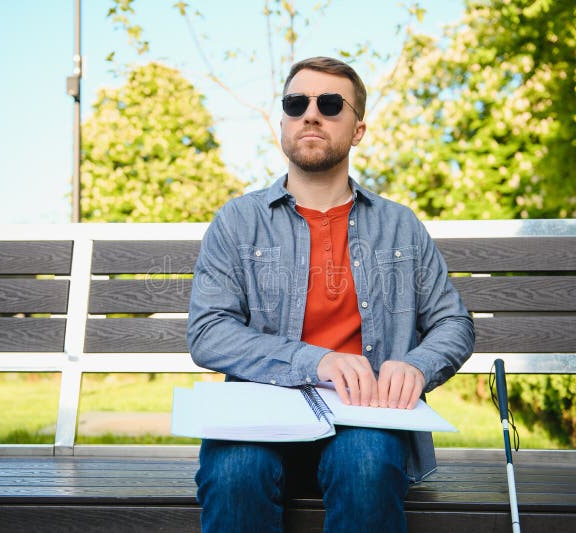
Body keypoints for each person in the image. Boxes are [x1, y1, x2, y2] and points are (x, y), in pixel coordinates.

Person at [187, 56, 475, 533]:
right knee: (236, 474)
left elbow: (453, 323)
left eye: (330, 104)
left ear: (358, 129)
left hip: (364, 416)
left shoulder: (399, 225)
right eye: (296, 103)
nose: (311, 114)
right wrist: (314, 361)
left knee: (366, 469)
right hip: (260, 409)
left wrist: (418, 366)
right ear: (283, 121)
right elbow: (209, 333)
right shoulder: (238, 221)